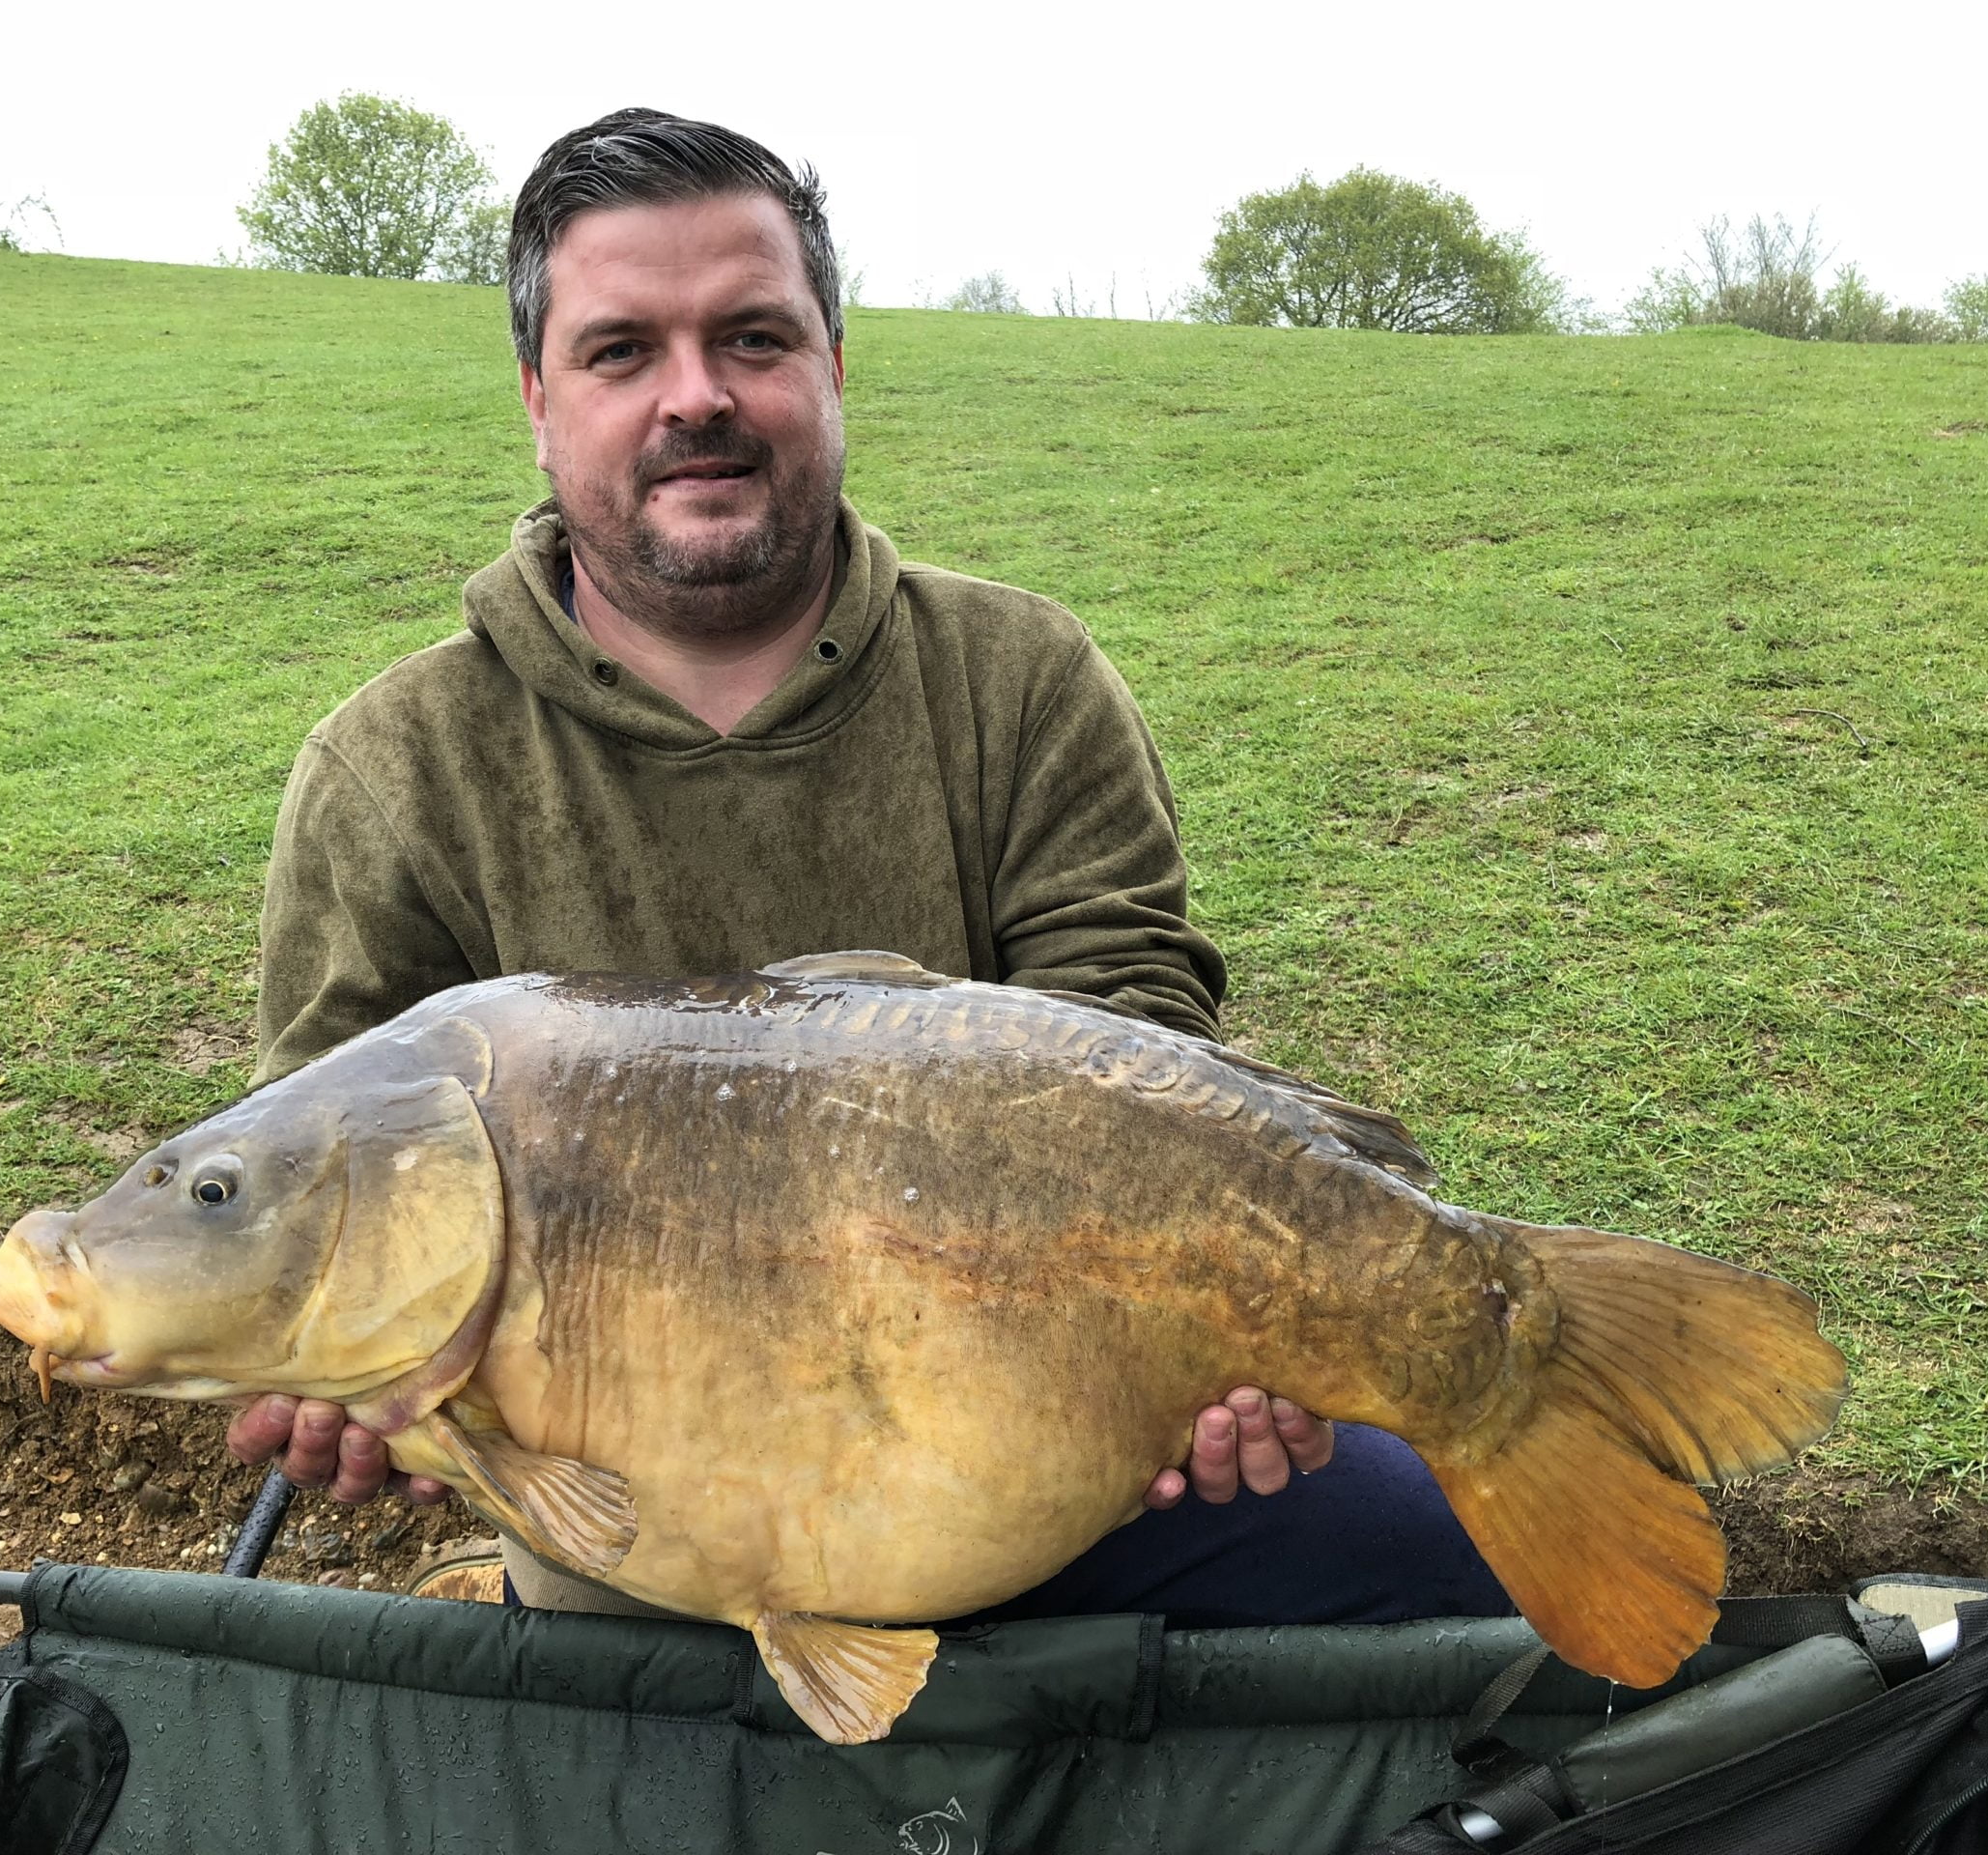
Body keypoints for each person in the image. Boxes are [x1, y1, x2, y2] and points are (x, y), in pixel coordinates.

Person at [227, 108, 1510, 1627]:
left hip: (1059, 1450)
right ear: (538, 398)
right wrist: (332, 1378)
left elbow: (1141, 1056)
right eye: (622, 350)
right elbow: (318, 1166)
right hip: (646, 1516)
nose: (696, 398)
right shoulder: (395, 767)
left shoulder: (1021, 677)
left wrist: (1222, 1348)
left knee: (1464, 1562)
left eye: (754, 338)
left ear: (835, 364)